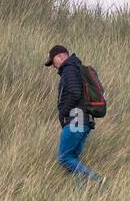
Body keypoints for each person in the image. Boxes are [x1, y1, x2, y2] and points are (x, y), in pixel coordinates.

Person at [44, 43, 103, 185]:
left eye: (53, 62)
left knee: (64, 158)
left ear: (60, 56)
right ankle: (82, 191)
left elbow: (75, 93)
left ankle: (97, 181)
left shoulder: (69, 69)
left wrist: (63, 112)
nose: (53, 66)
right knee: (71, 159)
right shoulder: (76, 68)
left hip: (76, 121)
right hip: (84, 121)